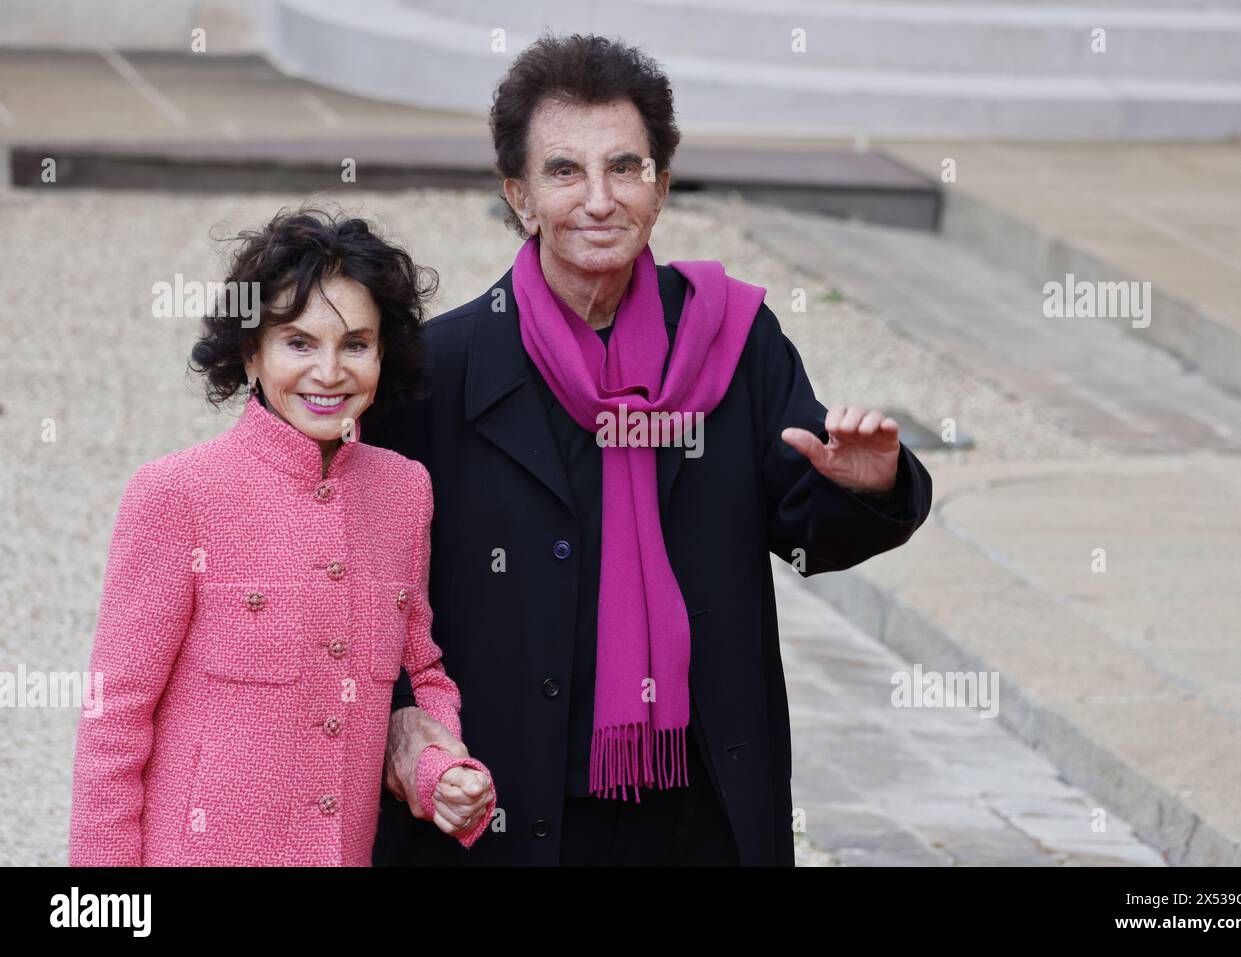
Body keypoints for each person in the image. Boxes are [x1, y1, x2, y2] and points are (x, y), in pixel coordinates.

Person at [368, 34, 933, 867]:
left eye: (624, 168)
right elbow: (366, 579)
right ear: (519, 196)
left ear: (660, 188)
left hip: (698, 806)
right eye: (565, 172)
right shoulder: (437, 370)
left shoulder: (734, 341)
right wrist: (405, 723)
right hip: (501, 800)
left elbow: (810, 531)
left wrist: (868, 485)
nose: (598, 200)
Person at [68, 207, 494, 865]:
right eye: (298, 342)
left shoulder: (405, 491)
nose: (329, 371)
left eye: (356, 343)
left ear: (384, 353)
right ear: (251, 352)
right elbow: (113, 723)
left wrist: (438, 769)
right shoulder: (175, 494)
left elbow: (421, 670)